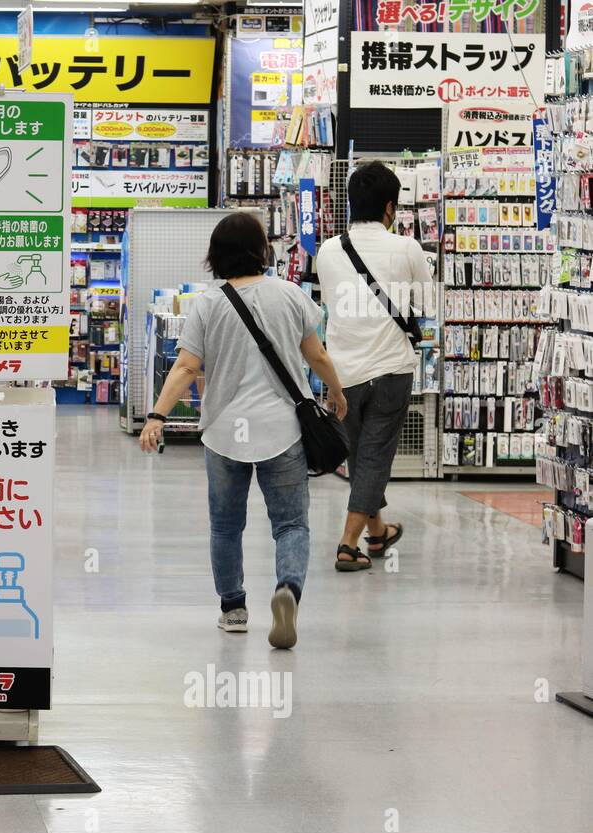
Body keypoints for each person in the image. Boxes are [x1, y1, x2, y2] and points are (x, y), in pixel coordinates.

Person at [140, 212, 347, 649]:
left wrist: (157, 417)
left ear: (215, 256)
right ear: (263, 249)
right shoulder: (290, 295)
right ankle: (287, 589)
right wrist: (336, 392)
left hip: (223, 432)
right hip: (284, 429)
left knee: (225, 526)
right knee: (291, 524)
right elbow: (318, 356)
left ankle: (233, 609)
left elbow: (186, 366)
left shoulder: (208, 305)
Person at [315, 162, 435, 571]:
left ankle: (379, 532)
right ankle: (349, 544)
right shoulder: (407, 249)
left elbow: (330, 306)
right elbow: (428, 305)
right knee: (373, 457)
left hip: (341, 373)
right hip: (391, 371)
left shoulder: (328, 250)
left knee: (361, 455)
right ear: (390, 207)